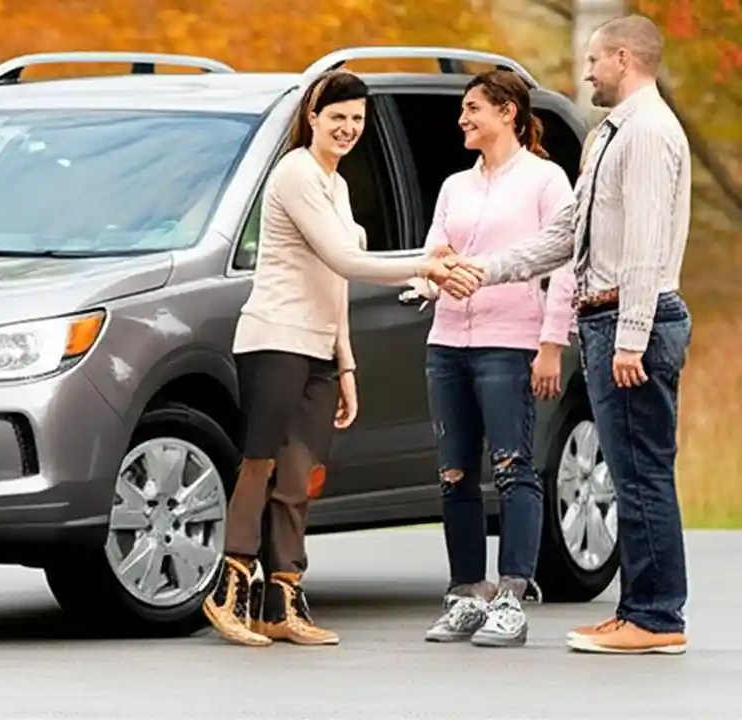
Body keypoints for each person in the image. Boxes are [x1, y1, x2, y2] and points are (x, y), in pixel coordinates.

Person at [438, 15, 693, 655]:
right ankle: (638, 608)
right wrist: (489, 269)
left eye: (595, 60)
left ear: (626, 59)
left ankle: (657, 618)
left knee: (641, 477)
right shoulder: (612, 135)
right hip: (605, 317)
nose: (586, 72)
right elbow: (567, 235)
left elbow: (642, 245)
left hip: (632, 318)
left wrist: (632, 336)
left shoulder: (648, 134)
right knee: (630, 473)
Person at [202, 70, 470, 647]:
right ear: (313, 119)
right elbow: (344, 258)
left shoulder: (337, 184)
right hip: (275, 338)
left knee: (299, 477)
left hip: (319, 348)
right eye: (337, 118)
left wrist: (345, 364)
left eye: (357, 121)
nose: (348, 129)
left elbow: (336, 282)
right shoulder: (296, 172)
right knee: (261, 464)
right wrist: (424, 263)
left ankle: (282, 601)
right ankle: (230, 594)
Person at [415, 70, 578, 648]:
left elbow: (564, 262)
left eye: (472, 108)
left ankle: (511, 595)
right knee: (454, 472)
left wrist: (551, 342)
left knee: (514, 468)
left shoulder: (545, 179)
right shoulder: (456, 185)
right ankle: (466, 594)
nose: (463, 119)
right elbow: (435, 250)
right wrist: (439, 279)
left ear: (507, 112)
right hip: (448, 344)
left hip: (511, 343)